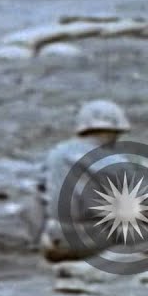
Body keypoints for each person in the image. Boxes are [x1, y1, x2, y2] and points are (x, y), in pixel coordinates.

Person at [38, 99, 132, 262]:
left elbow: (41, 189)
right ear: (111, 131)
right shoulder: (113, 159)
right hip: (93, 240)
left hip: (55, 238)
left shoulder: (56, 153)